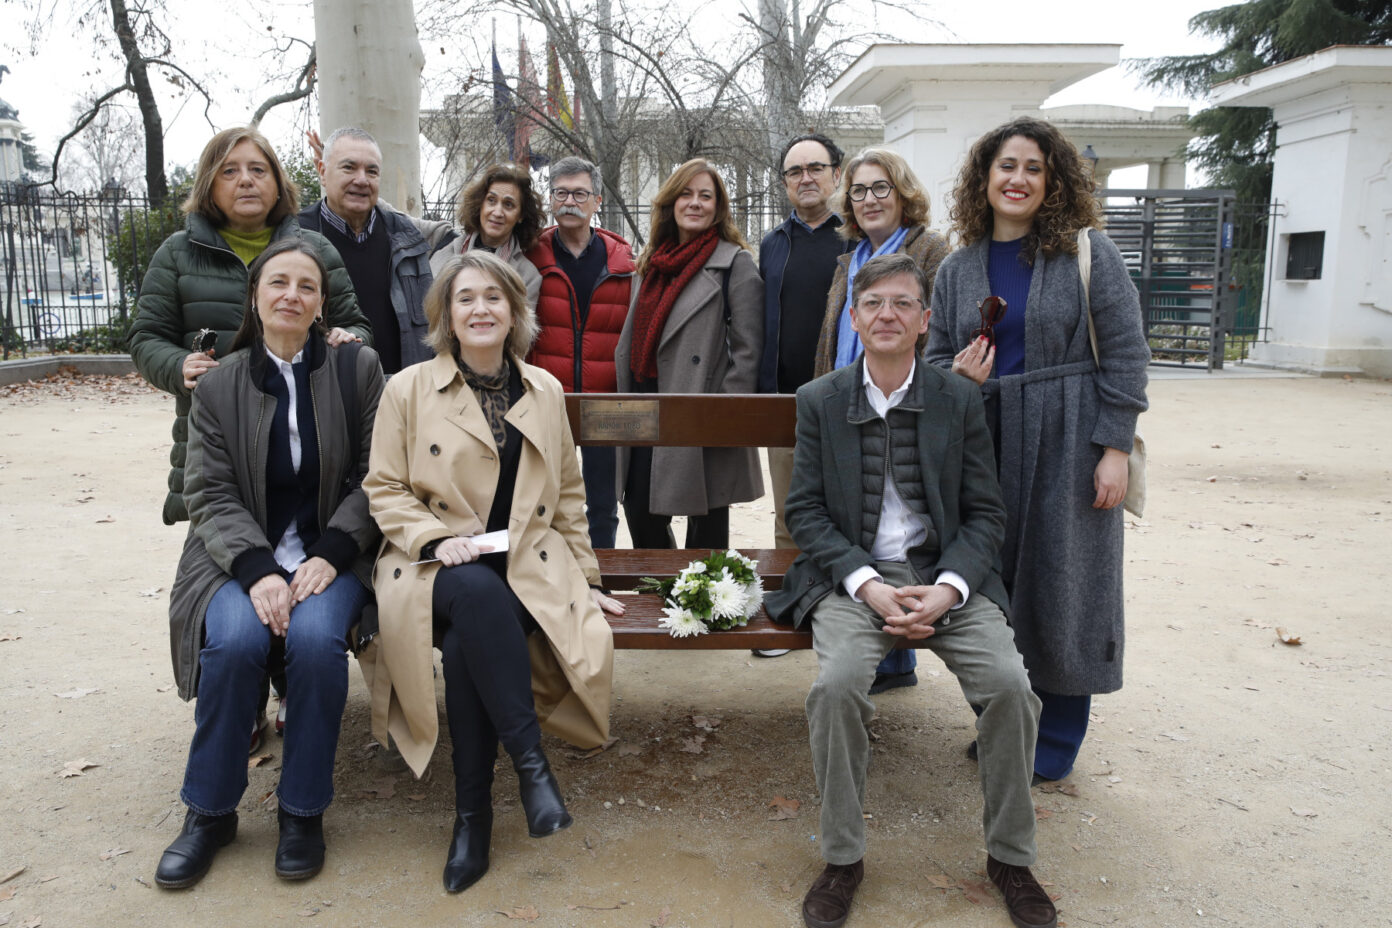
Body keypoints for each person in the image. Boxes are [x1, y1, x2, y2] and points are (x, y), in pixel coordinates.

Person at [765, 252, 1055, 928]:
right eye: (874, 304)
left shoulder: (956, 398)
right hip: (853, 582)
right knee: (835, 688)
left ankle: (1011, 856)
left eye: (902, 304)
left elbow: (986, 511)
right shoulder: (820, 400)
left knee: (1012, 687)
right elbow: (803, 511)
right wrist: (866, 585)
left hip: (945, 577)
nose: (887, 315)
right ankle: (842, 858)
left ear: (925, 321)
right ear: (855, 318)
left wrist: (950, 589)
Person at [360, 251, 622, 894]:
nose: (480, 309)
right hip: (432, 565)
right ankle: (532, 769)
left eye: (493, 298)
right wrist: (435, 537)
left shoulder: (544, 389)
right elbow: (384, 488)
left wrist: (585, 580)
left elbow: (566, 494)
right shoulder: (409, 388)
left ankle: (472, 819)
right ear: (446, 316)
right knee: (474, 593)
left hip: (524, 563)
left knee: (476, 632)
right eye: (465, 298)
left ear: (515, 312)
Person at [154, 240, 383, 889]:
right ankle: (210, 811)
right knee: (231, 640)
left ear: (320, 303)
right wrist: (257, 569)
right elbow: (207, 488)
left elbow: (381, 474)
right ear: (255, 297)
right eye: (277, 282)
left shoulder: (356, 369)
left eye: (305, 286)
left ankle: (302, 811)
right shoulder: (222, 381)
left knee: (315, 643)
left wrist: (334, 552)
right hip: (237, 558)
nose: (291, 295)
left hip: (329, 555)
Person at [926, 117, 1149, 783]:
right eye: (1006, 166)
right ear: (984, 179)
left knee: (1064, 582)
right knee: (991, 585)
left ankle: (1054, 738)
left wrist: (1113, 445)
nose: (1017, 179)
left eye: (1032, 168)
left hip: (1068, 437)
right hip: (986, 441)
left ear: (1051, 181)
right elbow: (935, 360)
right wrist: (956, 380)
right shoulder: (957, 267)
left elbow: (1128, 353)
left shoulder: (1087, 253)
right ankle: (1004, 720)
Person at [129, 126, 371, 526]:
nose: (246, 180)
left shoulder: (317, 250)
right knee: (223, 541)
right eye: (229, 171)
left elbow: (354, 325)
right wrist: (178, 365)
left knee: (302, 545)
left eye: (259, 170)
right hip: (218, 437)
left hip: (306, 432)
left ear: (277, 183)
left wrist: (349, 338)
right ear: (209, 183)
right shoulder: (177, 254)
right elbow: (146, 336)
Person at [812, 147, 951, 694]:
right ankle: (881, 655)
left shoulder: (933, 250)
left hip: (906, 405)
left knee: (895, 523)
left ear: (903, 193)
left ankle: (895, 655)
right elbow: (834, 334)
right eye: (858, 191)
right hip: (849, 403)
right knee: (858, 521)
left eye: (880, 188)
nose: (868, 200)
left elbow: (938, 329)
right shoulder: (849, 259)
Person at [615, 158, 764, 549]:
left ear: (718, 207)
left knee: (708, 524)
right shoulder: (651, 264)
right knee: (641, 512)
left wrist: (723, 412)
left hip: (701, 405)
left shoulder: (735, 263)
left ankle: (705, 605)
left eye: (706, 196)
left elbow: (748, 350)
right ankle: (664, 598)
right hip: (645, 404)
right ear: (671, 203)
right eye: (686, 194)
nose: (695, 203)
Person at [524, 156, 634, 549]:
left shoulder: (622, 262)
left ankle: (602, 574)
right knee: (544, 500)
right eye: (561, 193)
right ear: (550, 199)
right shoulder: (530, 256)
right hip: (545, 401)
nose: (570, 201)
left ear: (597, 200)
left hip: (605, 402)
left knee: (603, 504)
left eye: (580, 193)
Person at [758, 133, 851, 553]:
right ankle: (789, 607)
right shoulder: (772, 244)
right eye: (795, 171)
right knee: (788, 519)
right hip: (785, 405)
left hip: (847, 402)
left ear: (836, 174)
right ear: (785, 182)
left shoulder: (856, 238)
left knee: (846, 515)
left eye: (816, 168)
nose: (806, 177)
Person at [297, 127, 433, 376]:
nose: (361, 180)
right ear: (322, 172)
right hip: (326, 394)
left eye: (371, 171)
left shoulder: (407, 238)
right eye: (349, 168)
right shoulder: (296, 237)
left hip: (401, 393)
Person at [428, 163, 543, 308]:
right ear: (480, 204)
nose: (497, 212)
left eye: (508, 204)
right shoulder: (445, 252)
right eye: (491, 200)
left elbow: (520, 329)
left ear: (521, 215)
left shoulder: (527, 276)